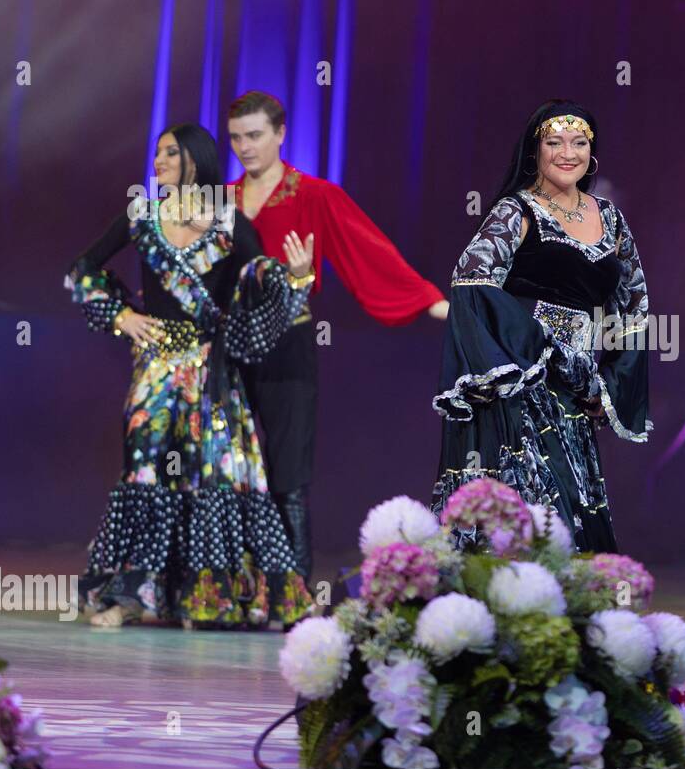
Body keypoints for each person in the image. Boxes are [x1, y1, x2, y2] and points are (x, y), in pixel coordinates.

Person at [66, 123, 317, 629]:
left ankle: (209, 598)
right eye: (156, 153)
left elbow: (262, 284)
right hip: (156, 372)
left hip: (213, 377)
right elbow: (82, 269)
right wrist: (122, 317)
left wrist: (297, 276)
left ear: (194, 163)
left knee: (216, 477)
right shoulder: (143, 216)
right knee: (145, 474)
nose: (157, 162)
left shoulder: (229, 225)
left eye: (168, 154)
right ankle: (131, 597)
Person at [225, 91, 449, 582]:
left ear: (281, 134)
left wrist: (431, 302)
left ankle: (294, 588)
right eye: (237, 137)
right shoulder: (223, 202)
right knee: (229, 470)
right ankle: (231, 586)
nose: (245, 147)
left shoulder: (315, 195)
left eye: (256, 136)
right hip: (230, 351)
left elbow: (368, 251)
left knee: (288, 472)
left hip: (288, 345)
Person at [432, 100, 650, 552]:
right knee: (535, 513)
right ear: (535, 151)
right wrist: (539, 346)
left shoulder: (608, 217)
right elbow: (471, 281)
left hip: (577, 390)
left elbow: (632, 306)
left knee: (576, 505)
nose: (567, 152)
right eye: (554, 142)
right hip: (522, 391)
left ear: (593, 152)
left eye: (579, 142)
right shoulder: (516, 212)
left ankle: (567, 620)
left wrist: (607, 387)